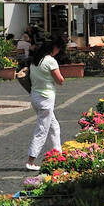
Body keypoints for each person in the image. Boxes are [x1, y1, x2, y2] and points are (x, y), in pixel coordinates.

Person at [25, 36, 66, 170]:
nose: (58, 52)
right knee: (42, 129)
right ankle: (31, 161)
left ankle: (58, 154)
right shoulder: (50, 61)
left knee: (54, 126)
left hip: (35, 97)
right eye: (58, 50)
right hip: (46, 99)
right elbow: (60, 80)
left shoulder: (35, 61)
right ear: (54, 49)